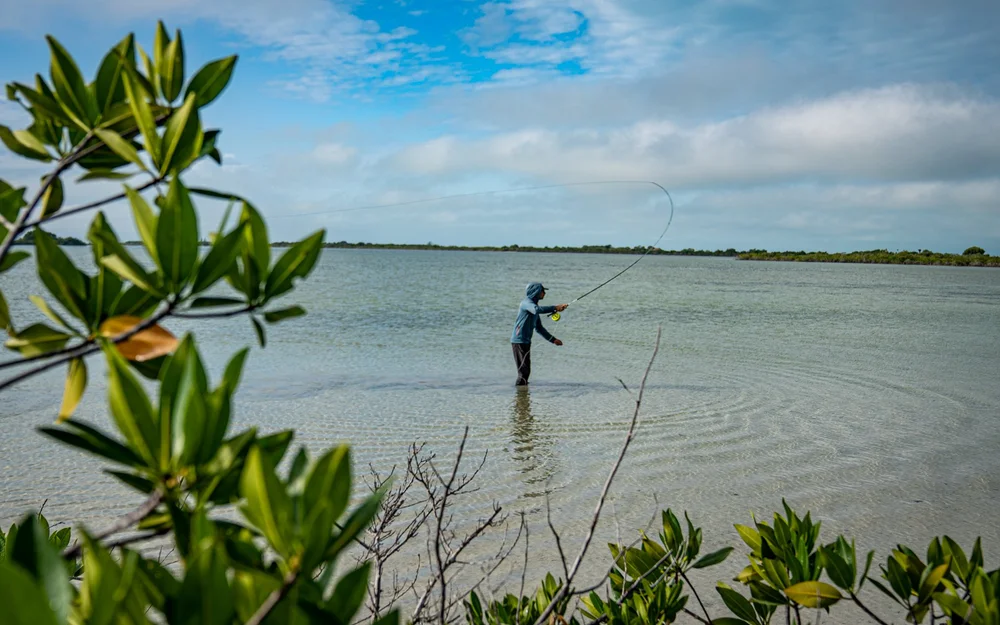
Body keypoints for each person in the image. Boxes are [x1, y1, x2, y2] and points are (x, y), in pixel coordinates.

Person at [510, 282, 568, 386]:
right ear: (535, 292)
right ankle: (520, 397)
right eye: (542, 291)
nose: (544, 293)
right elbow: (536, 310)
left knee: (526, 371)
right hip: (518, 341)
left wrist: (553, 340)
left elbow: (539, 328)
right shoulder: (526, 303)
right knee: (523, 372)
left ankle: (522, 396)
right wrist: (555, 307)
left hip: (526, 341)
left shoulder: (534, 308)